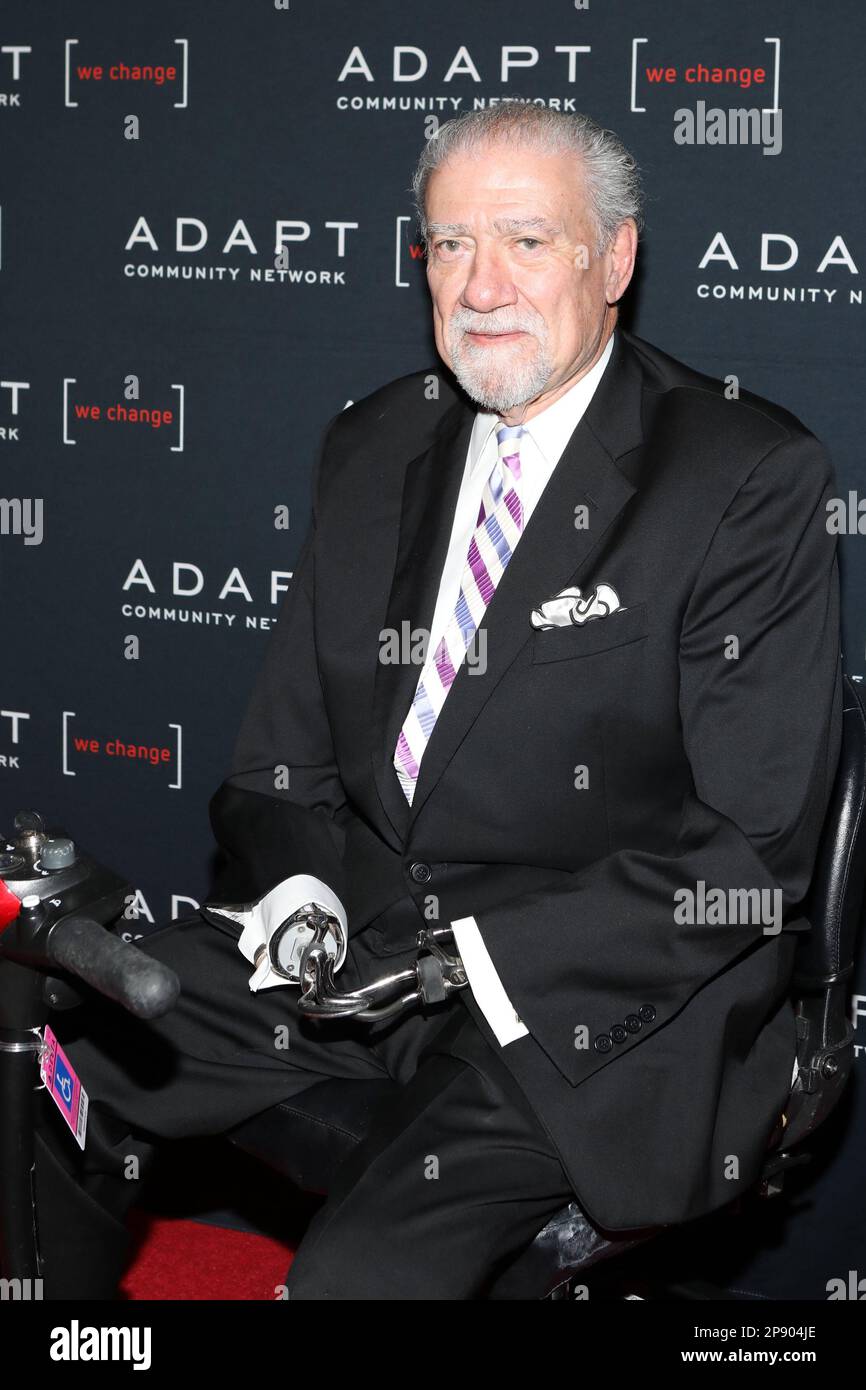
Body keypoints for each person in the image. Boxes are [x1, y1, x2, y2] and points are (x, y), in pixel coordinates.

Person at [33, 102, 842, 1300]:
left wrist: (450, 961)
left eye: (525, 240)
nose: (478, 285)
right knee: (37, 1067)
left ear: (611, 259)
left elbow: (751, 850)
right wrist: (299, 890)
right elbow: (278, 762)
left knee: (356, 1275)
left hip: (592, 1003)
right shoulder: (371, 447)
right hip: (347, 947)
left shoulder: (742, 476)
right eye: (448, 244)